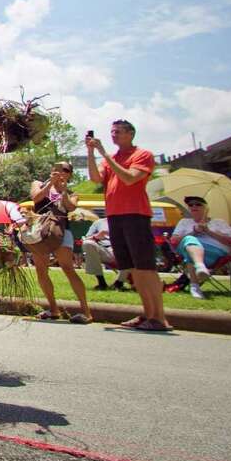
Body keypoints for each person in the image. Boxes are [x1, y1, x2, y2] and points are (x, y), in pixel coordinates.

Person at [86, 120, 168, 331]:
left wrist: (104, 155)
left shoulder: (142, 154)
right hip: (115, 216)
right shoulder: (112, 159)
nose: (114, 135)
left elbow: (130, 178)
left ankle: (159, 317)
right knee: (133, 269)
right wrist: (91, 153)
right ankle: (147, 313)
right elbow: (96, 179)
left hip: (135, 215)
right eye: (112, 132)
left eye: (119, 132)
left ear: (131, 133)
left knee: (146, 267)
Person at [28, 162, 92, 323]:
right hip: (40, 231)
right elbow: (35, 197)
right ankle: (53, 309)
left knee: (68, 268)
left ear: (69, 174)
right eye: (56, 168)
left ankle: (86, 312)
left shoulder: (72, 193)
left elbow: (70, 207)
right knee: (41, 270)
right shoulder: (39, 184)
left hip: (61, 231)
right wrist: (50, 183)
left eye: (64, 170)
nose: (59, 171)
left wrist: (63, 192)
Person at [169, 196, 231, 299]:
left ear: (206, 208)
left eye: (198, 204)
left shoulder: (219, 222)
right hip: (189, 249)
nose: (194, 206)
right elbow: (173, 241)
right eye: (191, 205)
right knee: (190, 240)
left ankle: (195, 286)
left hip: (214, 254)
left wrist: (208, 231)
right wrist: (194, 232)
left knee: (190, 253)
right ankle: (200, 267)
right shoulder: (184, 222)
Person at [82, 216, 131, 290]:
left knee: (131, 248)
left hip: (122, 250)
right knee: (87, 243)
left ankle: (119, 283)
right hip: (104, 249)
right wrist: (96, 236)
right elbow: (86, 238)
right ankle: (101, 282)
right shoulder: (98, 222)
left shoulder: (128, 222)